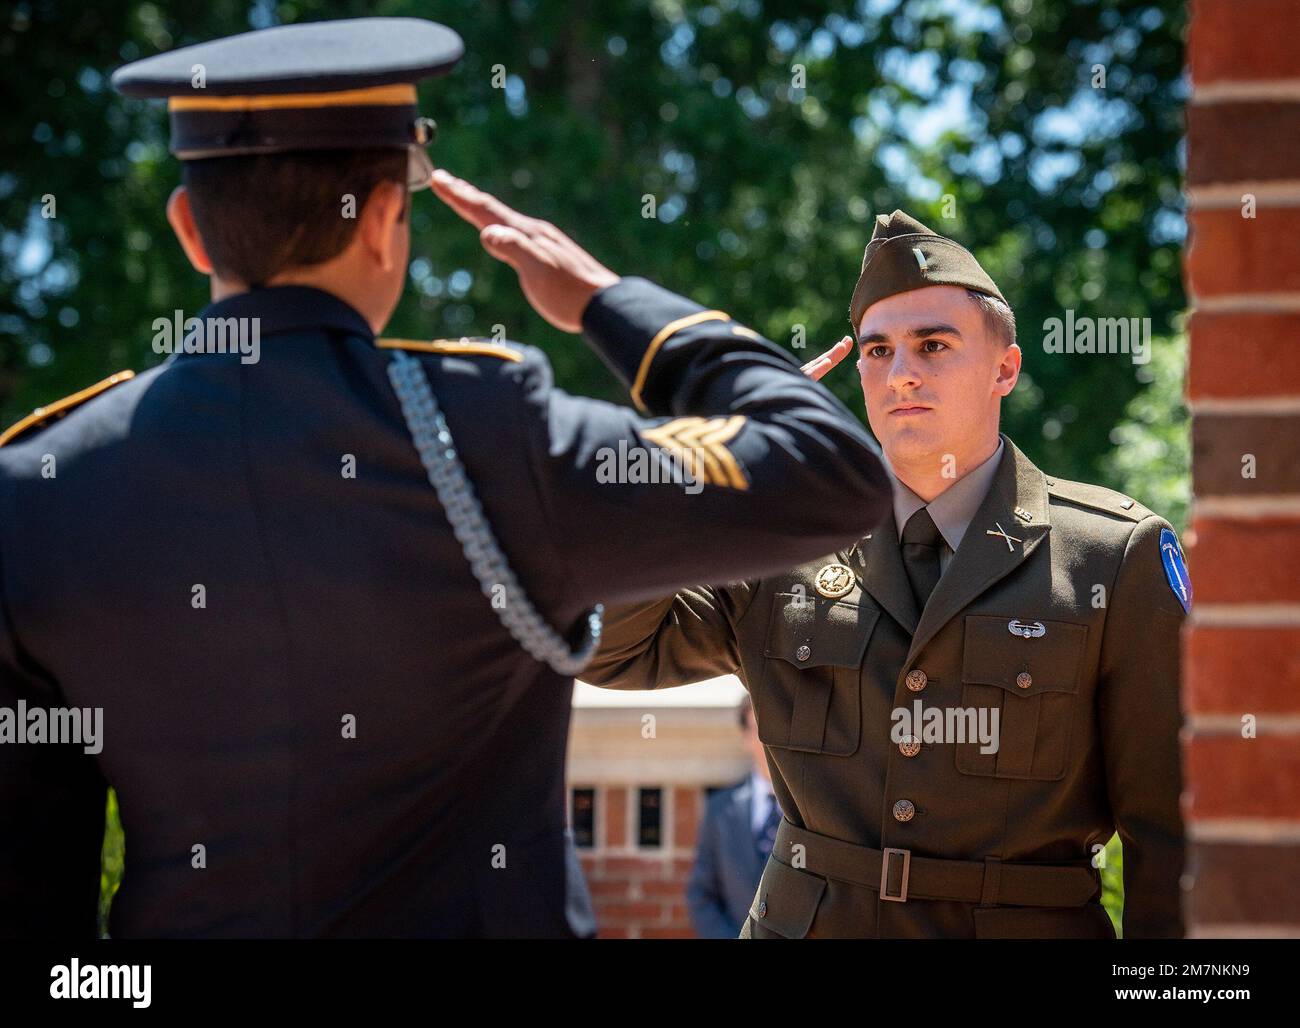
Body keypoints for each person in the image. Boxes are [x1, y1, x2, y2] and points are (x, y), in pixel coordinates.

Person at [0, 17, 892, 939]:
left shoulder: (35, 490)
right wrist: (605, 300)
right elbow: (828, 472)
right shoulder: (492, 435)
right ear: (387, 218)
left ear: (189, 229)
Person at [584, 210, 1188, 939]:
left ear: (1005, 368)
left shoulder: (1110, 555)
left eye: (934, 344)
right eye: (878, 350)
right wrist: (690, 466)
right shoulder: (780, 534)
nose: (902, 373)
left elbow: (1173, 838)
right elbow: (612, 651)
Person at [686, 697, 778, 938]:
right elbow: (701, 894)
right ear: (745, 737)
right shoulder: (720, 810)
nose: (769, 741)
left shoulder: (810, 811)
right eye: (760, 730)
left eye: (776, 729)